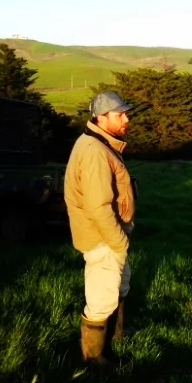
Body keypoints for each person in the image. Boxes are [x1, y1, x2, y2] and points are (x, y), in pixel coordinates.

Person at [65, 91, 137, 366]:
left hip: (111, 235)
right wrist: (118, 241)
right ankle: (93, 358)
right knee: (101, 297)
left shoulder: (100, 144)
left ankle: (116, 335)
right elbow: (98, 207)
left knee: (120, 285)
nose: (126, 119)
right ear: (101, 117)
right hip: (102, 238)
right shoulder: (95, 152)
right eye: (120, 114)